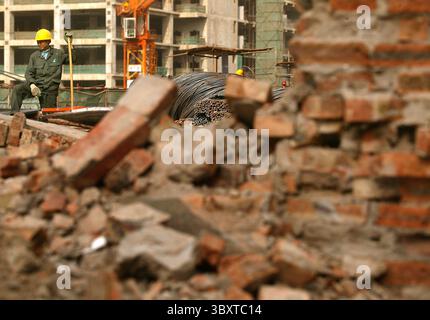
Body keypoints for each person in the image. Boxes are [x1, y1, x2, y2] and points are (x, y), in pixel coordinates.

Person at [10, 28, 76, 114]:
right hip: (36, 86)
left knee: (48, 115)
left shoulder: (58, 54)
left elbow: (73, 59)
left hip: (50, 90)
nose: (39, 44)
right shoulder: (34, 56)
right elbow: (29, 73)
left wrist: (70, 44)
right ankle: (14, 114)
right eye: (38, 42)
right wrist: (32, 84)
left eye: (41, 41)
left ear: (48, 41)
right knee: (17, 89)